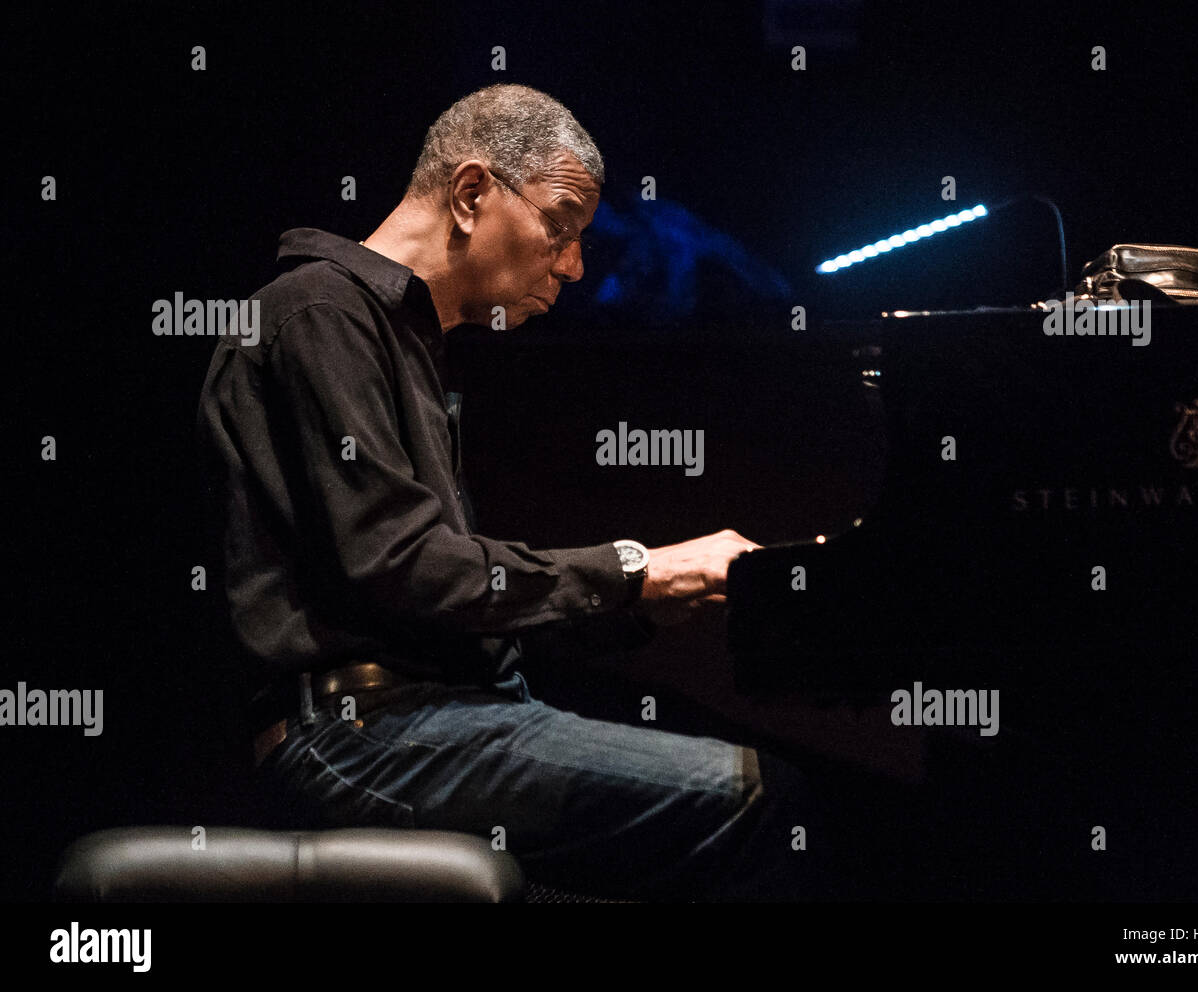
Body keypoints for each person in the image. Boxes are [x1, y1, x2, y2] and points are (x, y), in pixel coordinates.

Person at [196, 83, 836, 901]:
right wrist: (640, 569)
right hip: (360, 735)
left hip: (430, 722)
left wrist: (635, 605)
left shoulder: (405, 342)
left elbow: (452, 597)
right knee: (765, 802)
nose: (573, 266)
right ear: (471, 194)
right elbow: (399, 565)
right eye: (560, 228)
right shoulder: (317, 311)